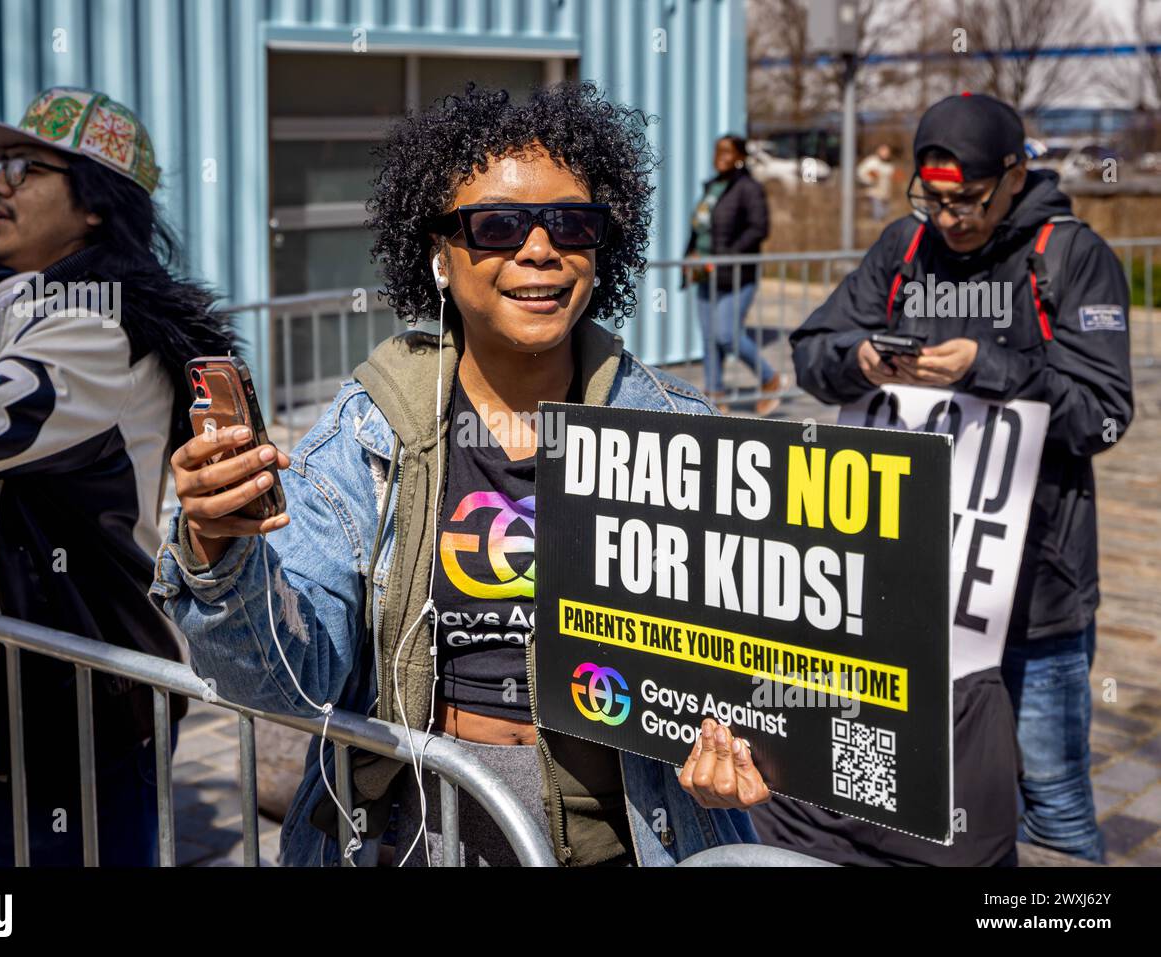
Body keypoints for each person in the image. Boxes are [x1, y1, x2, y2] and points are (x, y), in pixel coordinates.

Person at [152, 83, 771, 867]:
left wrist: (736, 756)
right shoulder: (368, 431)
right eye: (499, 225)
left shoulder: (678, 431)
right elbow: (282, 682)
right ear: (439, 252)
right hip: (414, 838)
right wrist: (218, 549)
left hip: (632, 844)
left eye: (570, 224)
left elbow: (751, 680)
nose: (539, 249)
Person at [0, 87, 233, 865]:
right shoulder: (7, 308)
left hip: (75, 698)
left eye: (27, 168)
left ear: (96, 206)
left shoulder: (100, 327)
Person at [763, 93, 1131, 865]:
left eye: (968, 200)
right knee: (925, 795)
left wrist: (987, 368)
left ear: (1014, 173)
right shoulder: (904, 245)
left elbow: (1103, 412)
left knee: (1054, 803)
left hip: (1037, 595)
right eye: (934, 200)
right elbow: (813, 349)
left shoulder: (1071, 255)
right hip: (918, 595)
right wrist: (859, 359)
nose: (951, 218)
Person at [684, 134, 783, 415]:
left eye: (727, 151)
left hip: (737, 274)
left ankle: (770, 379)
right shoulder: (714, 186)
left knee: (727, 334)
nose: (721, 156)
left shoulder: (748, 187)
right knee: (708, 336)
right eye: (718, 151)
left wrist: (723, 257)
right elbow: (700, 228)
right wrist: (690, 255)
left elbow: (758, 228)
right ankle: (715, 396)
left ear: (740, 155)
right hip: (704, 273)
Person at [857, 143, 896, 223]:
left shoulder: (890, 164)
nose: (885, 153)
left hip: (885, 193)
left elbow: (892, 177)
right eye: (883, 150)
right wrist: (870, 177)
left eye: (887, 151)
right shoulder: (871, 161)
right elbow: (861, 172)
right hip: (873, 193)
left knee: (886, 215)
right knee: (878, 214)